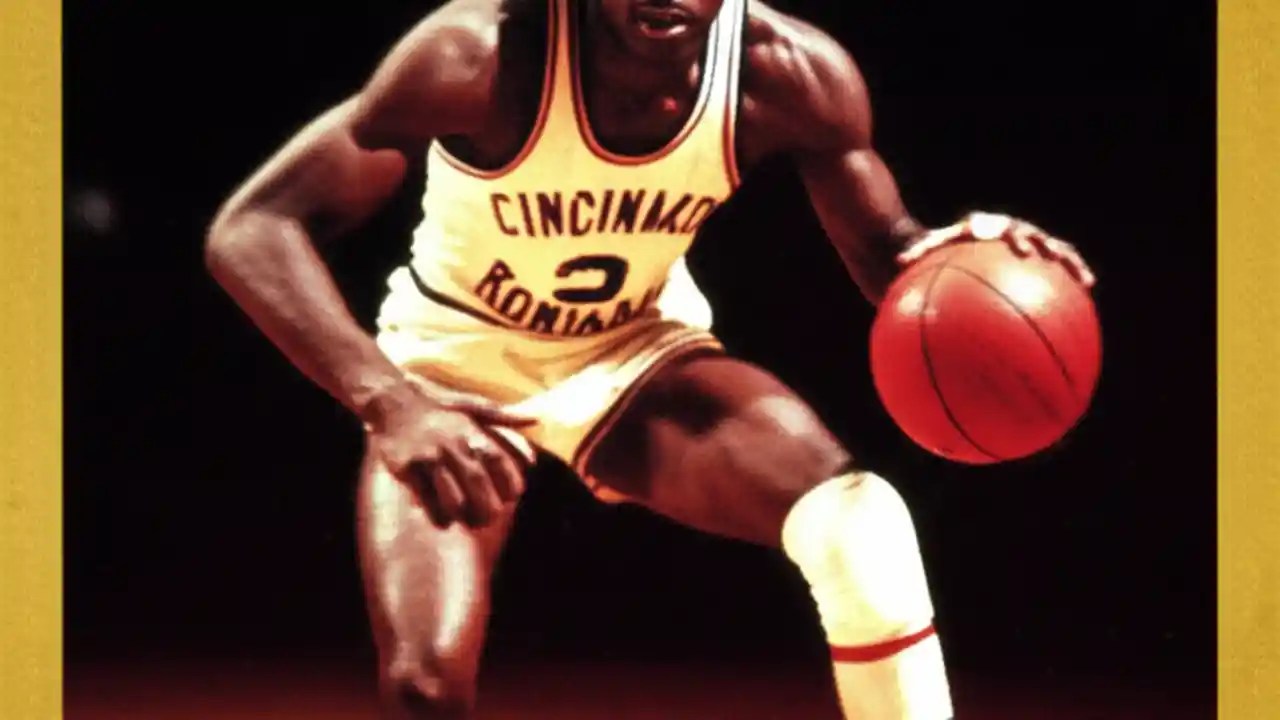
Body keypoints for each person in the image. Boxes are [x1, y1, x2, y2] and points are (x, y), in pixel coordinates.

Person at [205, 0, 1095, 717]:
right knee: (425, 686)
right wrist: (392, 403)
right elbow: (253, 228)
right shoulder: (479, 56)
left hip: (630, 354)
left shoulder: (788, 76)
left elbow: (888, 255)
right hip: (449, 365)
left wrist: (952, 258)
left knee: (863, 528)